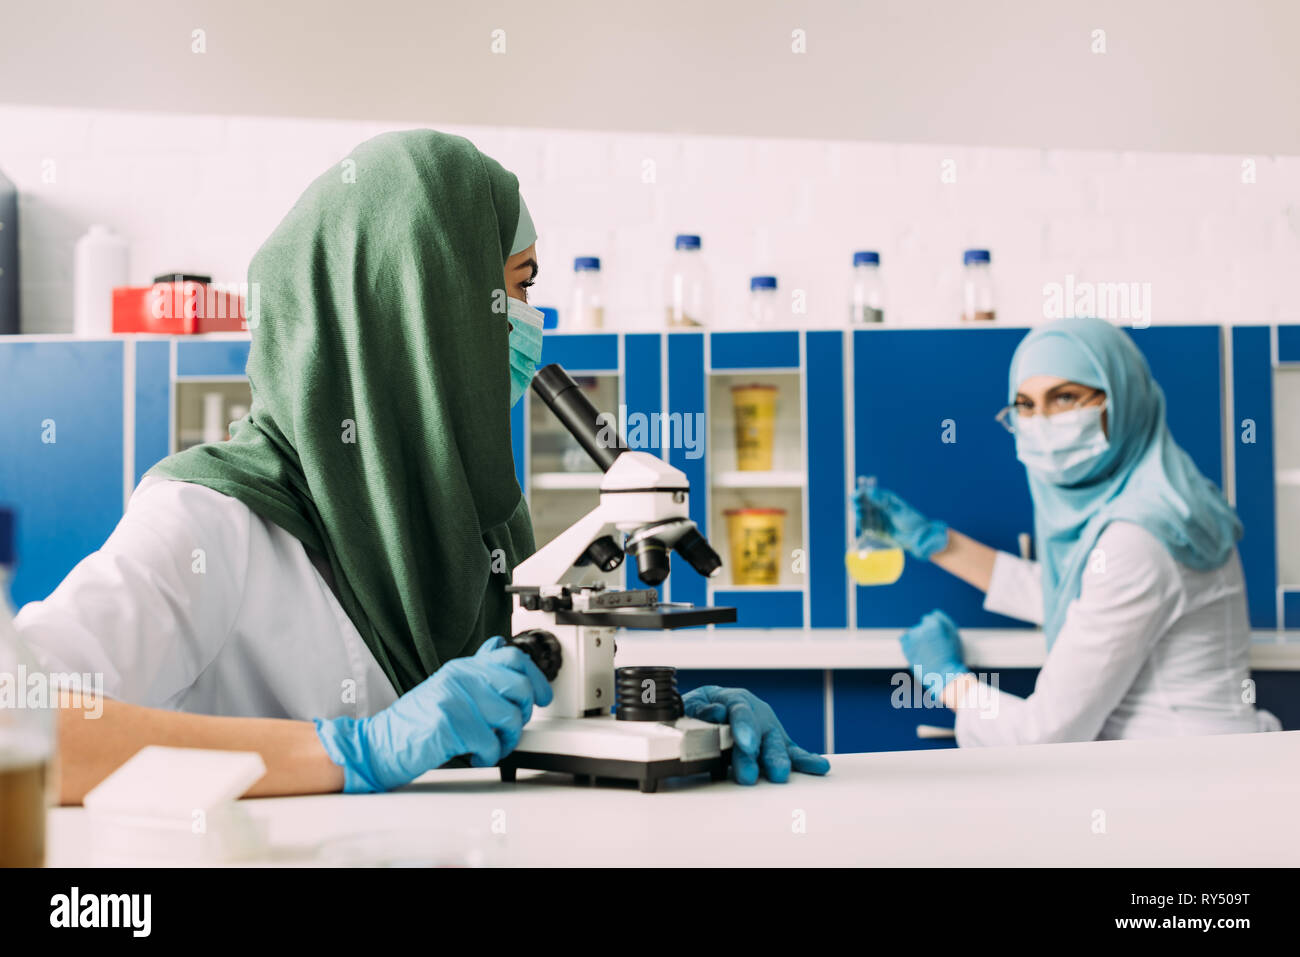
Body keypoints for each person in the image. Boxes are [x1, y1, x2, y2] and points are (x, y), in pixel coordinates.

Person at [16, 131, 829, 801]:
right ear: (418, 304)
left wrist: (668, 726)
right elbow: (18, 724)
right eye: (516, 287)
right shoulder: (213, 521)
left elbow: (492, 727)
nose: (531, 320)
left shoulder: (475, 519)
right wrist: (350, 750)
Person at [856, 316, 1281, 746]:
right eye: (1025, 404)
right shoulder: (1170, 496)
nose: (1040, 422)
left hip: (1177, 775)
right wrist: (934, 542)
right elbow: (1083, 589)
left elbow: (1045, 735)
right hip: (1216, 757)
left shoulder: (1136, 537)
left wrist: (947, 680)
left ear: (1122, 400)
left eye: (1064, 398)